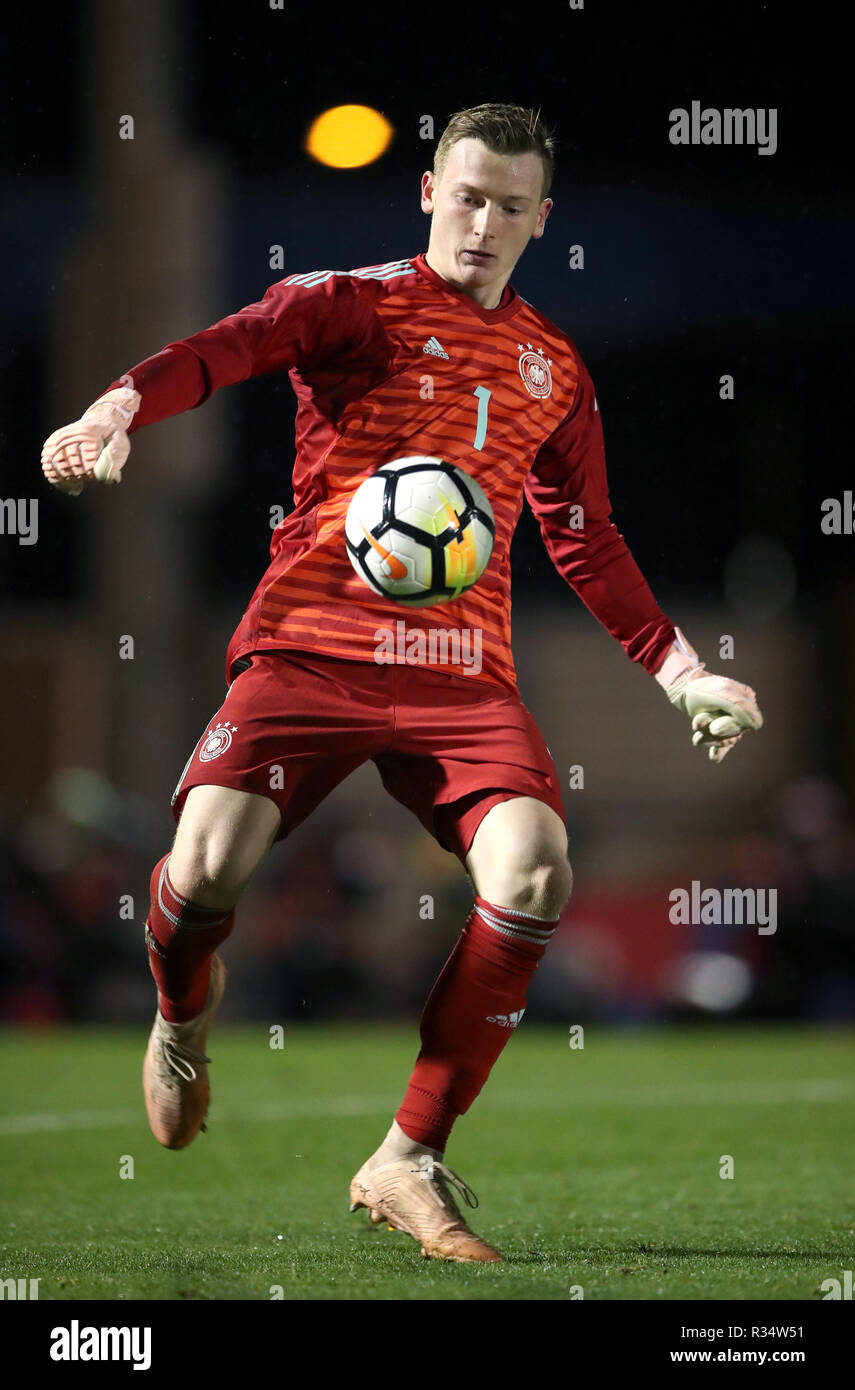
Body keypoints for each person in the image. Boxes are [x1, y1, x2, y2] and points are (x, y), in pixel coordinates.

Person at [40, 102, 763, 1263]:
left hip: (459, 674)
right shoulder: (348, 304)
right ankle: (182, 1016)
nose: (484, 222)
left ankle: (409, 1155)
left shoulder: (553, 368)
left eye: (510, 205)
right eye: (467, 196)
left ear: (540, 218)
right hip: (309, 645)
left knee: (534, 867)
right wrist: (123, 400)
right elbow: (221, 350)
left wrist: (680, 668)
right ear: (429, 191)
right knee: (207, 862)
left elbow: (586, 536)